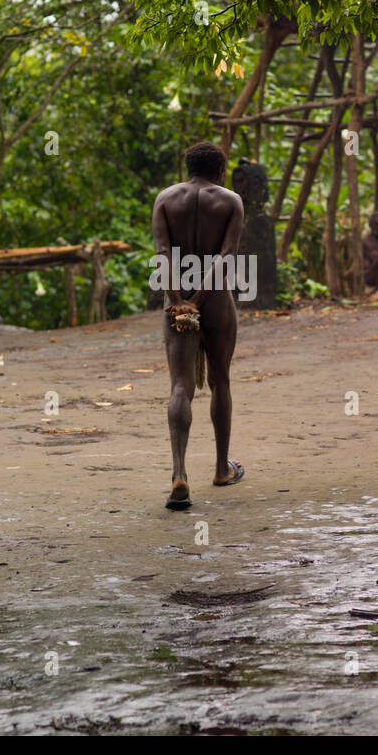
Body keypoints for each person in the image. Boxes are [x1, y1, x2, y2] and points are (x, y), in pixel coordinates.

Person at [150, 142, 246, 510]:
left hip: (175, 299)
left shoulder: (165, 198)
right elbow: (225, 257)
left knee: (180, 385)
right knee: (220, 379)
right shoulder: (230, 201)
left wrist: (177, 301)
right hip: (216, 299)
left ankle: (179, 475)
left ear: (187, 167)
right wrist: (200, 301)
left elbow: (162, 254)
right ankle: (222, 468)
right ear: (221, 170)